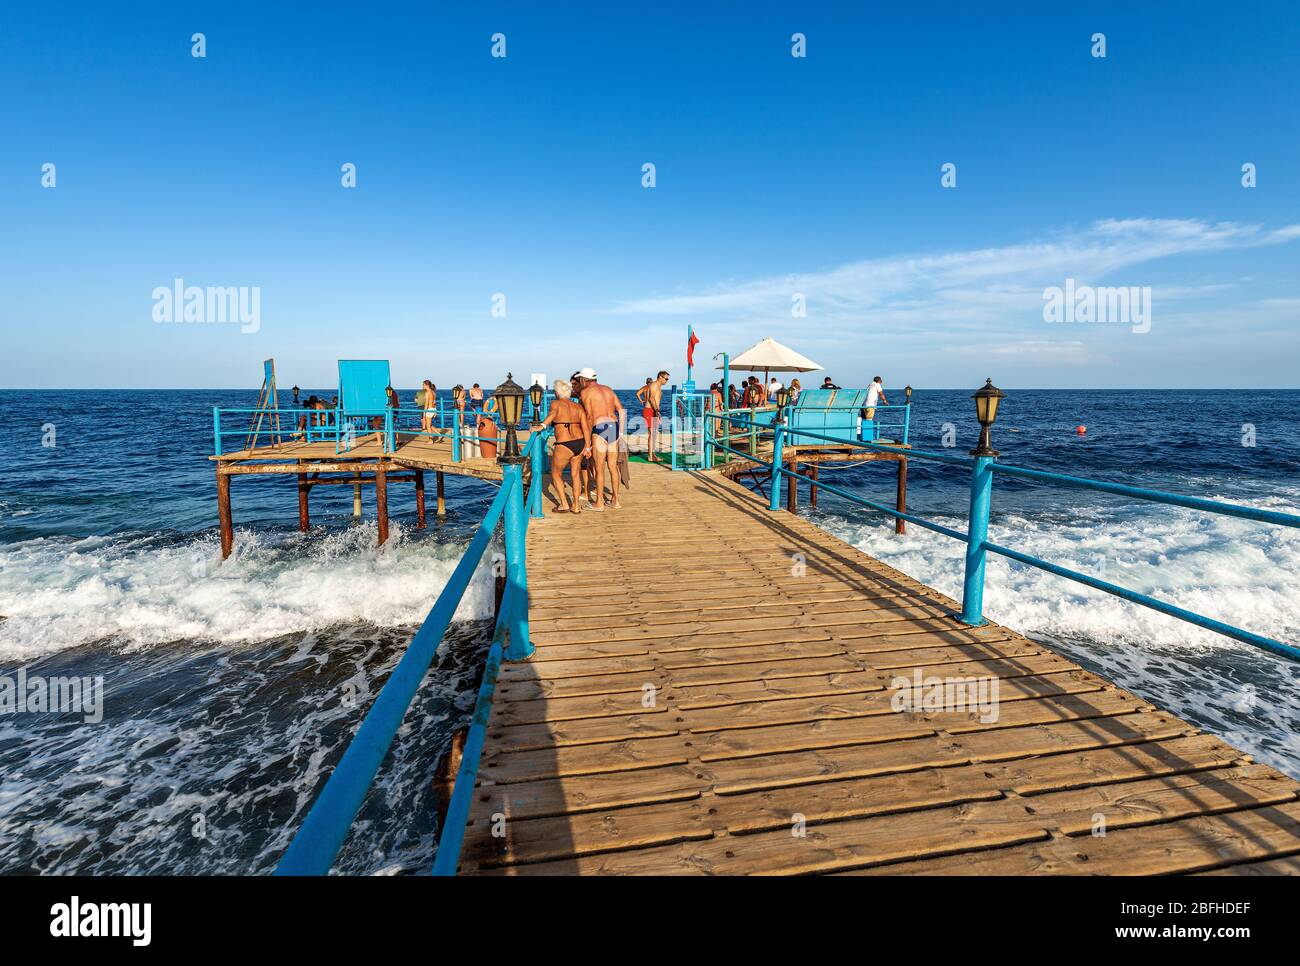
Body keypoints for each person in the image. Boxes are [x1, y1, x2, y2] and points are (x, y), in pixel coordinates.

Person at [539, 378, 591, 513]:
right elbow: (585, 428)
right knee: (575, 474)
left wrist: (541, 426)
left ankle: (564, 504)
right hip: (580, 443)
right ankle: (576, 506)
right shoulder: (578, 407)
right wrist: (588, 447)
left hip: (564, 444)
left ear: (557, 393)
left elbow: (551, 415)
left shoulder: (555, 404)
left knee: (556, 474)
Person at [577, 366, 624, 510]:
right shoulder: (608, 389)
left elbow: (590, 417)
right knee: (613, 467)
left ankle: (599, 503)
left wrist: (588, 443)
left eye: (580, 380)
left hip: (599, 428)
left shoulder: (586, 393)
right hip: (613, 428)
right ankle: (615, 501)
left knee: (599, 467)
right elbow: (621, 410)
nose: (579, 382)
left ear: (584, 380)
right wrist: (621, 433)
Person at [636, 370, 669, 462]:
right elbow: (651, 399)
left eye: (667, 379)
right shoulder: (654, 385)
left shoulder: (659, 386)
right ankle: (650, 456)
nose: (667, 381)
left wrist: (658, 413)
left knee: (654, 434)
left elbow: (657, 401)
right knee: (652, 433)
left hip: (654, 411)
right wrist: (657, 411)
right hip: (649, 410)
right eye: (666, 379)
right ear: (660, 377)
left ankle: (653, 454)